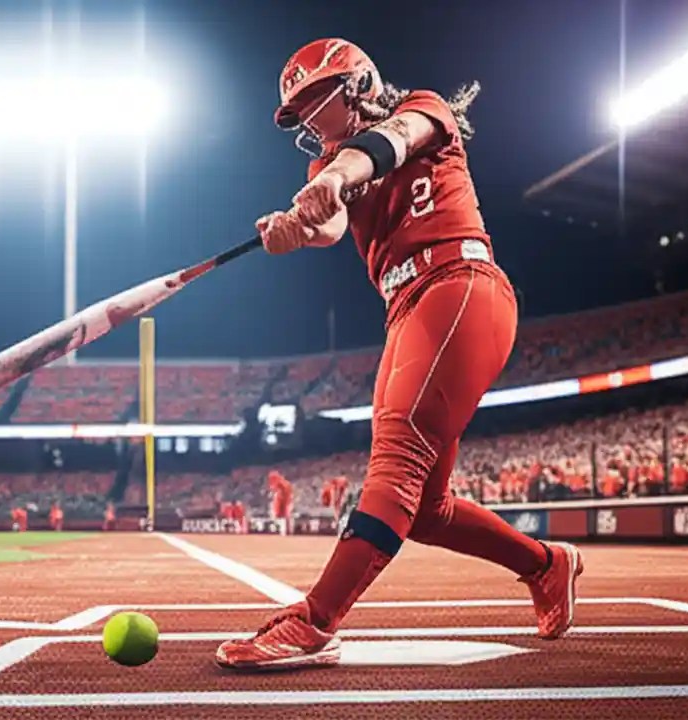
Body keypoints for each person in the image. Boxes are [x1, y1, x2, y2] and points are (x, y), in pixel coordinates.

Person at [215, 39, 583, 671]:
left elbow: (383, 147)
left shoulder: (420, 109)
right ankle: (546, 564)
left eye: (313, 102)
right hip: (407, 308)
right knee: (428, 510)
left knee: (397, 457)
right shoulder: (327, 165)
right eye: (298, 111)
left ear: (357, 84)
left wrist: (332, 179)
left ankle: (316, 618)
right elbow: (329, 224)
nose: (307, 121)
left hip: (458, 285)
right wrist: (293, 231)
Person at [267, 471, 294, 535]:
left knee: (286, 515)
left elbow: (288, 494)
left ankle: (287, 530)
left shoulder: (284, 484)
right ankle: (284, 530)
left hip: (286, 500)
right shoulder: (280, 484)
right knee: (281, 516)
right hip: (283, 500)